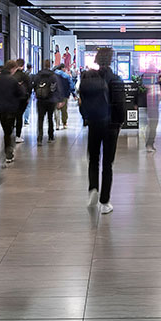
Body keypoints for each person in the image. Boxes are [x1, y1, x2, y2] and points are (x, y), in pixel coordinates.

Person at [77, 47, 125, 215]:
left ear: (97, 59)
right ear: (111, 60)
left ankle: (93, 189)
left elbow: (81, 101)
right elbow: (120, 104)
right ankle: (105, 202)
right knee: (107, 164)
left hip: (94, 122)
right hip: (111, 125)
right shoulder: (116, 78)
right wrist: (120, 122)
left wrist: (87, 118)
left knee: (94, 158)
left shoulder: (89, 77)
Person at [0, 62, 24, 164]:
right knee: (9, 131)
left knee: (6, 130)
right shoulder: (13, 80)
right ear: (12, 68)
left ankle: (6, 150)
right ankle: (8, 151)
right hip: (12, 108)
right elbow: (21, 93)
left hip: (1, 108)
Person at [33, 65, 59, 145]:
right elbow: (56, 88)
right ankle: (50, 136)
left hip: (40, 100)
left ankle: (39, 138)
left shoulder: (37, 75)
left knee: (40, 119)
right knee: (50, 118)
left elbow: (34, 86)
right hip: (51, 100)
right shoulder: (53, 76)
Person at [12, 59, 30, 141]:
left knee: (12, 116)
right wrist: (28, 97)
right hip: (23, 99)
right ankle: (18, 136)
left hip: (13, 99)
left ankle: (10, 135)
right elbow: (29, 88)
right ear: (23, 66)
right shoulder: (25, 76)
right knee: (19, 117)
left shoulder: (12, 76)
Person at [52, 64, 73, 130]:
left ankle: (57, 124)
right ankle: (64, 123)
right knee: (64, 109)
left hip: (55, 95)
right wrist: (72, 93)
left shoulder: (53, 76)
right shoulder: (66, 76)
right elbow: (71, 85)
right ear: (62, 68)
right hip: (64, 94)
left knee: (56, 109)